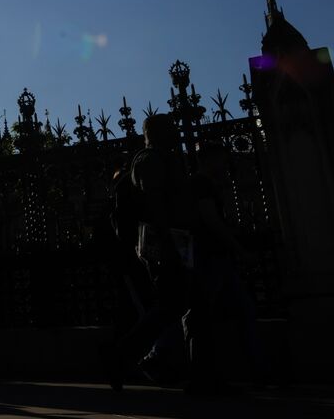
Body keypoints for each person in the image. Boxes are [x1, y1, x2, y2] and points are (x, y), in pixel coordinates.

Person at [105, 114, 195, 391]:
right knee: (171, 304)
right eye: (172, 129)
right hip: (164, 246)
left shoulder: (161, 159)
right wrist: (167, 241)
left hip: (173, 242)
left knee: (177, 304)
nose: (177, 133)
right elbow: (154, 203)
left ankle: (144, 359)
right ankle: (126, 358)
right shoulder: (149, 160)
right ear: (156, 133)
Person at [184, 141, 261, 392]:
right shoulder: (201, 184)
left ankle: (255, 370)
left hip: (215, 256)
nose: (226, 164)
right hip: (211, 256)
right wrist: (238, 247)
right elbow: (211, 221)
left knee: (238, 311)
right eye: (222, 159)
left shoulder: (202, 184)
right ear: (209, 159)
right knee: (204, 315)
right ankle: (204, 375)